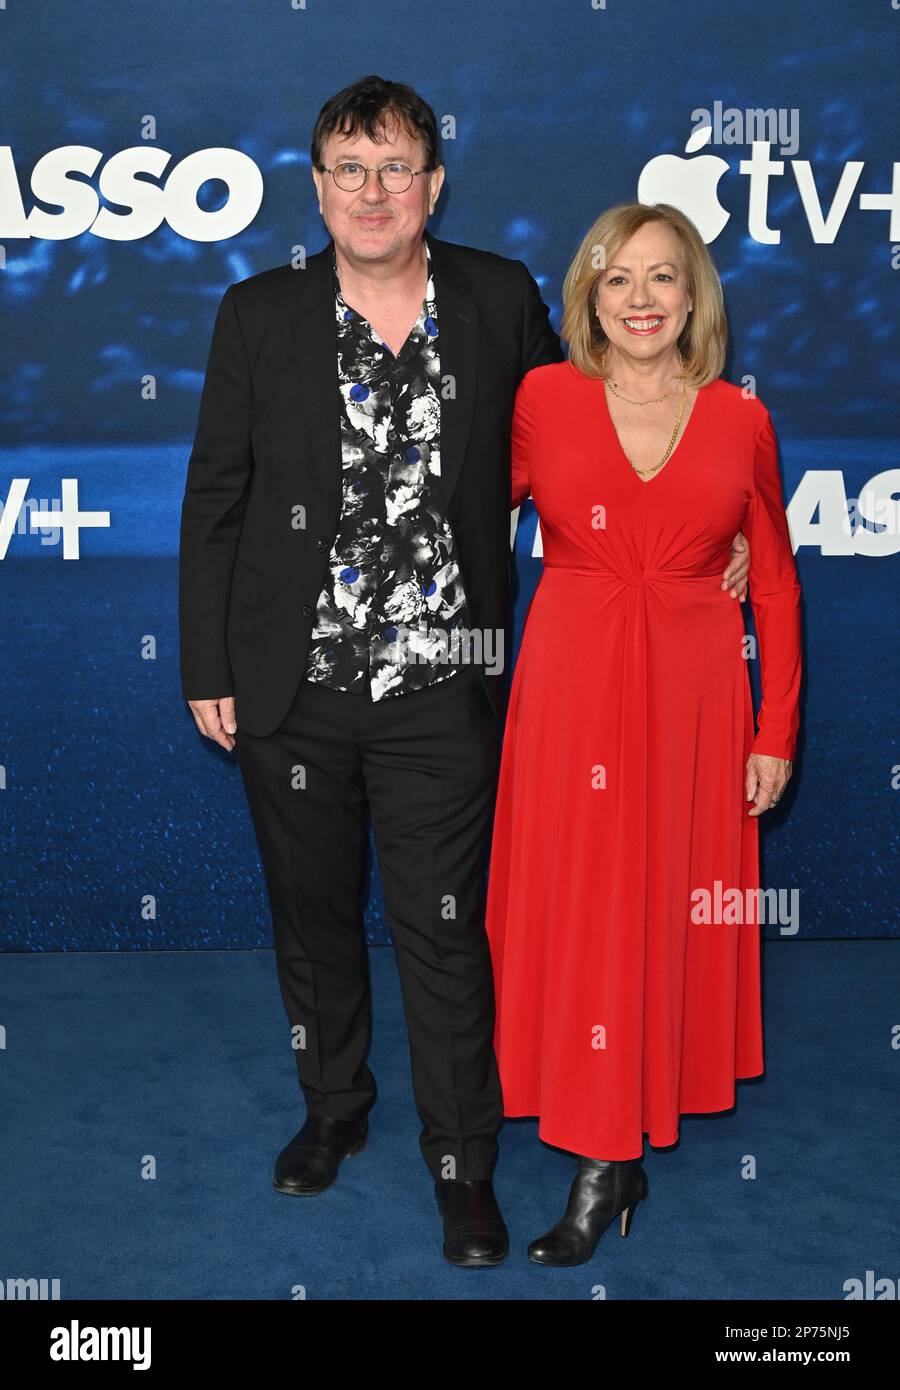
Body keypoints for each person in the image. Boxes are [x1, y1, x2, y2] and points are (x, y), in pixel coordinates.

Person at [178, 76, 751, 1266]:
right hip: (292, 682)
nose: (373, 192)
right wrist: (206, 664)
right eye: (349, 168)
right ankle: (333, 1110)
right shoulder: (257, 315)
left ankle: (464, 1166)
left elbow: (598, 420)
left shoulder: (498, 300)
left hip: (452, 681)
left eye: (397, 169)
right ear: (320, 186)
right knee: (314, 915)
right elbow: (214, 503)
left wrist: (720, 523)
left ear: (434, 185)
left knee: (447, 932)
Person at [484, 202, 802, 1266]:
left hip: (698, 696)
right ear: (588, 295)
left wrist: (776, 731)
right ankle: (604, 1147)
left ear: (694, 296)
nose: (640, 299)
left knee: (657, 905)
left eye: (663, 278)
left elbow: (781, 587)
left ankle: (614, 1145)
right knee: (587, 908)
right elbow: (471, 523)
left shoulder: (740, 420)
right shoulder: (541, 398)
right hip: (570, 686)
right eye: (617, 278)